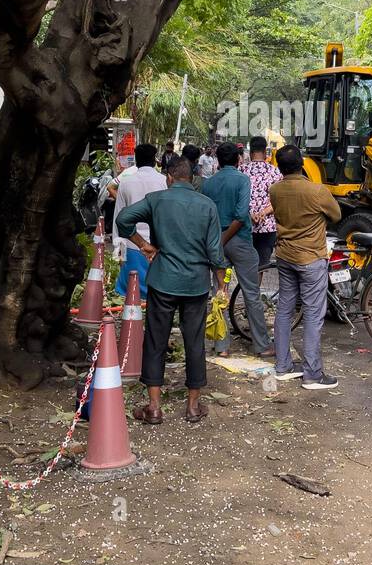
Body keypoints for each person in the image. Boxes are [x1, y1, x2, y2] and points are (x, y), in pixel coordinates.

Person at [115, 156, 225, 424]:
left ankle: (153, 407)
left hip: (163, 280)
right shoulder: (207, 205)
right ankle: (193, 406)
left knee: (155, 342)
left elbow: (124, 219)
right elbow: (216, 253)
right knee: (194, 342)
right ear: (192, 178)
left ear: (170, 177)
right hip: (195, 284)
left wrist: (143, 245)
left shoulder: (157, 199)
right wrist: (221, 286)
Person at [270, 144, 342, 390]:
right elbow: (336, 215)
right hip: (310, 258)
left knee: (284, 309)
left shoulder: (275, 190)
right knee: (312, 314)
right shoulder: (317, 191)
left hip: (284, 256)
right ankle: (312, 374)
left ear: (279, 167)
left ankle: (283, 367)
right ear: (301, 163)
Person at [201, 142, 274, 357]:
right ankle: (262, 345)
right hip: (240, 241)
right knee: (251, 293)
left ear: (218, 161)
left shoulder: (209, 184)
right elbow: (242, 215)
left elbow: (207, 216)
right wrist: (226, 238)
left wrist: (218, 241)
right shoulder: (243, 180)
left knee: (219, 293)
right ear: (238, 159)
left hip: (216, 244)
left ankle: (222, 347)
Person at [111, 143, 167, 299]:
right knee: (157, 296)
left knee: (131, 297)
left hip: (132, 246)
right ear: (155, 160)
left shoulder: (126, 183)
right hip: (158, 247)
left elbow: (119, 219)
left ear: (136, 160)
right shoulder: (164, 182)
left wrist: (118, 255)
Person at [240, 134, 282, 269]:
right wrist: (264, 212)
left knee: (244, 264)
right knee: (261, 266)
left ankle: (243, 290)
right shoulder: (275, 172)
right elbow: (278, 200)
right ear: (265, 152)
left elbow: (237, 199)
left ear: (251, 152)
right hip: (267, 227)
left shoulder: (241, 171)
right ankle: (255, 290)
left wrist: (250, 213)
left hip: (244, 225)